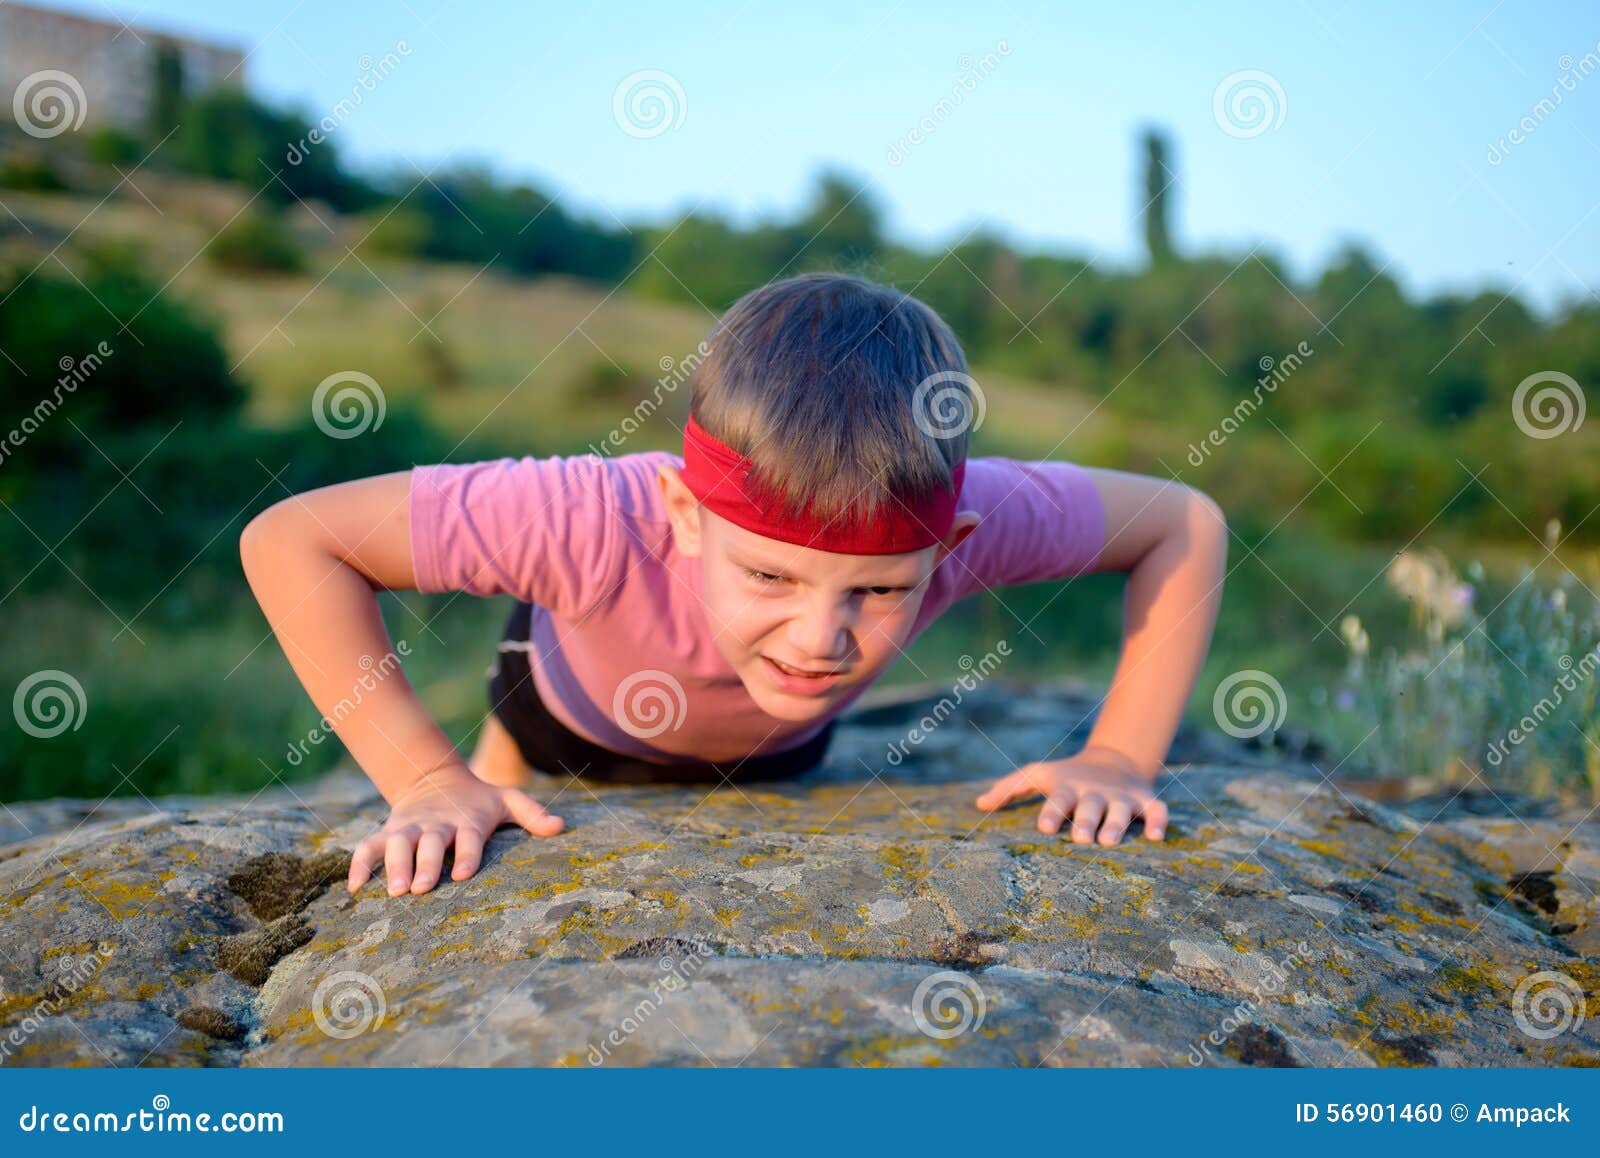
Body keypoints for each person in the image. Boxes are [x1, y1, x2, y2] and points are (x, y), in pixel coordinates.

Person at [240, 273, 1227, 898]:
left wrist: (1119, 759)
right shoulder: (583, 517)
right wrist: (424, 781)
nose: (818, 638)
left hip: (777, 756)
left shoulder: (965, 518)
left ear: (949, 543)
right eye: (768, 573)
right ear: (683, 515)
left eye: (876, 593)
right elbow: (293, 542)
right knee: (484, 827)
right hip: (555, 715)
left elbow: (1184, 524)